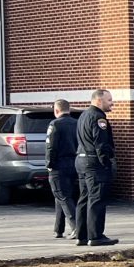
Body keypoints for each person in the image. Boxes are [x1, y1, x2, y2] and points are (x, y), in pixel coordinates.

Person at [75, 89, 118, 247]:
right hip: (94, 163)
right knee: (97, 199)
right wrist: (106, 162)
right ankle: (96, 235)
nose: (112, 103)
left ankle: (82, 235)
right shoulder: (99, 118)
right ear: (99, 101)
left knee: (84, 198)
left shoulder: (83, 115)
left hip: (81, 160)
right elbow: (100, 143)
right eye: (109, 100)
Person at [45, 98, 80, 240]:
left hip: (59, 164)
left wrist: (49, 164)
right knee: (61, 196)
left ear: (56, 110)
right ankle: (58, 229)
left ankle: (77, 227)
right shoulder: (77, 123)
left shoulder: (55, 124)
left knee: (62, 195)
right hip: (74, 163)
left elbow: (51, 146)